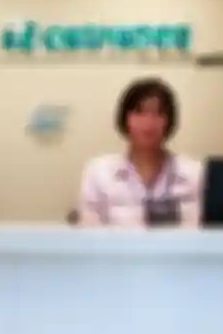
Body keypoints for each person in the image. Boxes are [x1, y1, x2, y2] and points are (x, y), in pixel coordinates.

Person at [77, 78, 203, 227]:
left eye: (158, 113)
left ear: (169, 122)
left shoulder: (194, 174)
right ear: (125, 119)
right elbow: (89, 237)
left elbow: (203, 233)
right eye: (140, 113)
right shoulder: (99, 172)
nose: (148, 123)